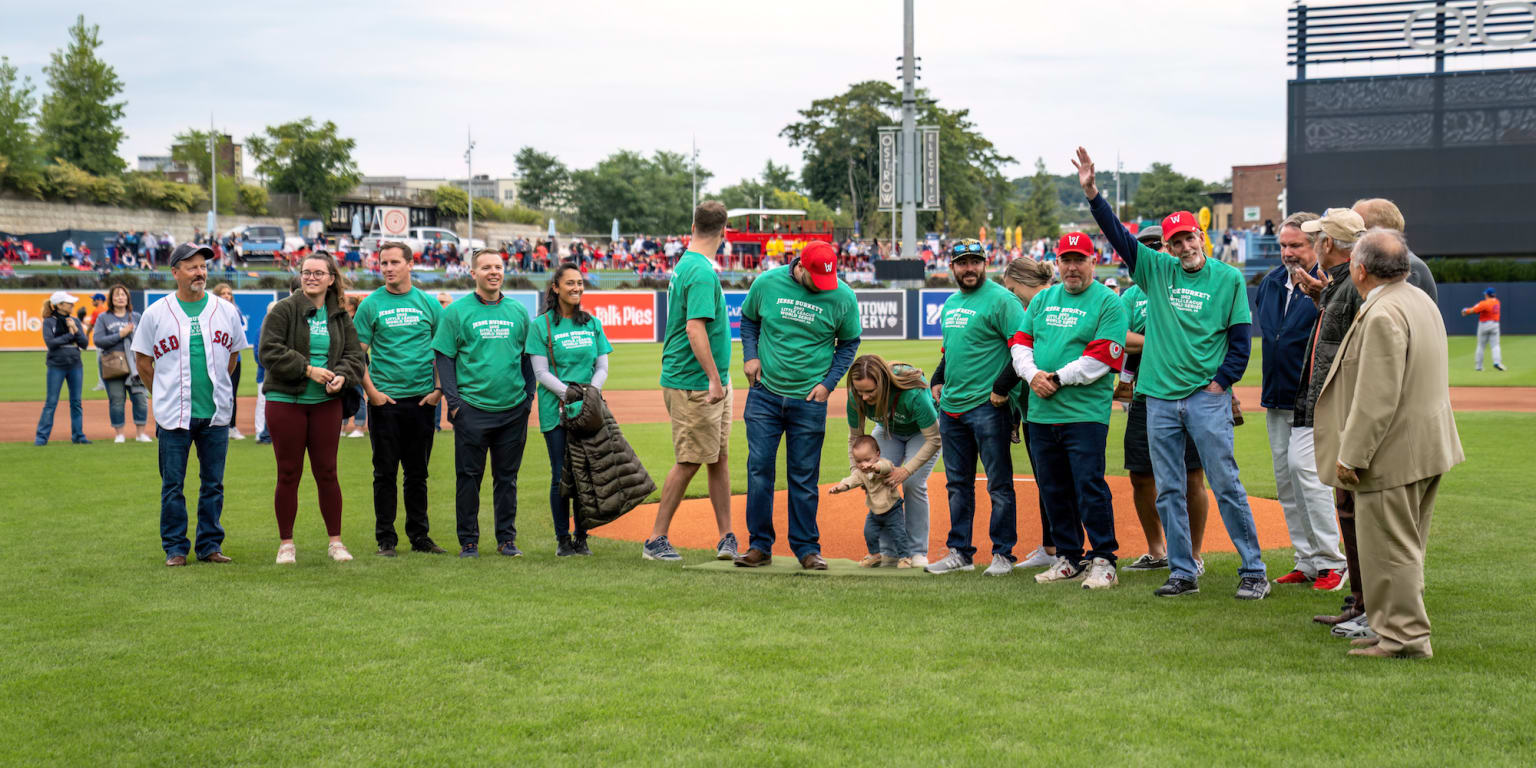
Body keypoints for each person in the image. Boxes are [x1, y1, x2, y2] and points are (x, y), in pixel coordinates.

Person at [1076, 147, 1268, 599]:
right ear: (1166, 247)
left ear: (1201, 236)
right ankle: (1182, 571)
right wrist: (1093, 195)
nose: (1183, 246)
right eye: (1174, 241)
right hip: (1158, 396)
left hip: (1205, 395)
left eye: (1189, 238)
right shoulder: (1158, 271)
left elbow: (1240, 342)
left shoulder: (1228, 279)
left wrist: (1221, 384)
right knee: (1168, 489)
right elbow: (1120, 238)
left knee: (1224, 483)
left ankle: (1253, 569)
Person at [1314, 229, 1464, 658]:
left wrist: (1351, 457)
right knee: (1404, 547)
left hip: (1393, 454)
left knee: (1390, 552)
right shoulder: (1419, 300)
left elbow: (1377, 398)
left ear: (1360, 269)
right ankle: (1391, 629)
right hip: (1425, 446)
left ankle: (1404, 639)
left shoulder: (1382, 313)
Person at [1007, 232, 1127, 589]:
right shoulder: (1043, 299)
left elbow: (1102, 357)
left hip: (1084, 413)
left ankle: (1104, 558)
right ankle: (1068, 556)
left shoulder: (1108, 302)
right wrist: (1032, 375)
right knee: (1053, 488)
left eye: (1080, 259)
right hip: (1042, 413)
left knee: (1089, 486)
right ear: (1056, 263)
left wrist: (1055, 378)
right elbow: (1020, 343)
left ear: (1093, 261)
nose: (1072, 267)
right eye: (1066, 260)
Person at [735, 240, 861, 570]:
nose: (823, 287)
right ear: (801, 266)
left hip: (809, 399)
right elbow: (748, 321)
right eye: (816, 279)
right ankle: (759, 545)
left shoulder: (843, 296)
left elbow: (849, 343)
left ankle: (807, 548)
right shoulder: (766, 283)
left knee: (804, 477)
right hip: (765, 393)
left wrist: (828, 384)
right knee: (759, 471)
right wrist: (750, 356)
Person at [132, 243, 248, 566]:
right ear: (175, 272)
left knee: (213, 483)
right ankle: (175, 548)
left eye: (203, 266)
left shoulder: (225, 311)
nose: (200, 272)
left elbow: (233, 357)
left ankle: (209, 545)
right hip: (173, 415)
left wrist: (218, 389)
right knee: (173, 486)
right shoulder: (157, 313)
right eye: (192, 266)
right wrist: (164, 393)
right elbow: (143, 361)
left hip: (215, 414)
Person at [1287, 208, 1376, 629]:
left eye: (1315, 238)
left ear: (1327, 244)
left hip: (1346, 413)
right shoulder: (1339, 285)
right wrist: (1319, 297)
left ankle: (1366, 604)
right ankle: (1359, 600)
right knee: (1347, 507)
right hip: (1334, 408)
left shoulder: (1357, 287)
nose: (1311, 245)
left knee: (1356, 510)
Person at [1257, 212, 1347, 590]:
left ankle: (1332, 562)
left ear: (1318, 244)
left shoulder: (1328, 287)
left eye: (1297, 245)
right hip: (1277, 395)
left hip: (1313, 396)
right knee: (1286, 482)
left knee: (1307, 474)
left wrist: (1320, 296)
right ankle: (1306, 560)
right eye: (1283, 245)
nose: (1288, 253)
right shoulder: (1272, 282)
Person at [645, 202, 738, 562]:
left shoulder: (688, 263)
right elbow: (694, 329)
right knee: (690, 460)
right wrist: (714, 380)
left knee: (718, 457)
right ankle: (656, 539)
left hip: (707, 381)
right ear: (724, 231)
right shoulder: (700, 271)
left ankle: (726, 536)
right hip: (695, 382)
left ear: (693, 224)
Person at [259, 251, 365, 564]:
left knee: (328, 472)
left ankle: (335, 542)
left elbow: (355, 357)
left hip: (325, 403)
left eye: (319, 273)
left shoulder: (340, 315)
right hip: (285, 401)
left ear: (331, 279)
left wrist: (342, 376)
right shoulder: (284, 309)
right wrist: (308, 370)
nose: (311, 277)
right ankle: (286, 544)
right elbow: (268, 350)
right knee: (288, 473)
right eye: (306, 272)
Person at [1116, 227, 1212, 574]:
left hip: (1191, 390)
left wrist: (1151, 340)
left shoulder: (1192, 284)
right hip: (1146, 392)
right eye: (1145, 247)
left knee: (1192, 477)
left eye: (1158, 245)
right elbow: (1117, 337)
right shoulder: (1130, 296)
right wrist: (1161, 340)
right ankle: (1157, 551)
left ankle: (1194, 554)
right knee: (1141, 475)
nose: (1153, 251)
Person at [925, 239, 1022, 576]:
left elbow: (1022, 350)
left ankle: (1003, 554)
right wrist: (938, 377)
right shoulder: (951, 303)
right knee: (957, 484)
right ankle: (960, 552)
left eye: (975, 262)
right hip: (951, 408)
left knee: (998, 484)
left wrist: (1001, 390)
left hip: (987, 406)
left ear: (986, 263)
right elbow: (951, 350)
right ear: (951, 266)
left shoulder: (1003, 300)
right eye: (962, 263)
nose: (969, 269)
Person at [433, 249, 535, 559]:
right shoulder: (457, 312)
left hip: (512, 409)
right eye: (486, 267)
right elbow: (444, 357)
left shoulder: (518, 312)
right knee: (468, 479)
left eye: (498, 267)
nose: (494, 272)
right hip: (472, 409)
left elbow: (528, 358)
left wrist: (528, 399)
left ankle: (506, 540)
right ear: (473, 272)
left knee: (507, 479)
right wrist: (454, 403)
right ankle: (469, 542)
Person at [355, 242, 447, 557]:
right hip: (385, 402)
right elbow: (357, 354)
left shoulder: (428, 303)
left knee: (417, 473)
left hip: (422, 402)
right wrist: (372, 393)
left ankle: (420, 537)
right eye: (383, 263)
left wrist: (437, 390)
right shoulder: (371, 305)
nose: (388, 268)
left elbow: (444, 351)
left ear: (410, 264)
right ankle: (386, 540)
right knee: (384, 473)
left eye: (395, 262)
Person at [527, 264, 613, 557]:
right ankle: (562, 540)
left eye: (580, 283)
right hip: (558, 411)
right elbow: (540, 372)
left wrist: (592, 392)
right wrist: (569, 393)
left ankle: (582, 537)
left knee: (585, 475)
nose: (576, 288)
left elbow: (601, 365)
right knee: (560, 475)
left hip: (587, 410)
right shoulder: (542, 326)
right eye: (570, 283)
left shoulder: (592, 323)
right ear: (556, 287)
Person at [845, 355, 941, 568]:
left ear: (884, 383)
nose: (865, 397)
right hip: (889, 429)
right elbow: (856, 439)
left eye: (870, 391)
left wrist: (905, 471)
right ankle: (890, 552)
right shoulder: (856, 398)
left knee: (912, 483)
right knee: (879, 479)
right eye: (860, 391)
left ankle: (917, 551)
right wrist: (856, 472)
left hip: (922, 434)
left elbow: (934, 439)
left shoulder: (913, 394)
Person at [1000, 255, 1061, 570]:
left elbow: (1023, 359)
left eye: (1012, 288)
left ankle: (1066, 551)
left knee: (1059, 482)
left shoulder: (1047, 307)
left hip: (1055, 406)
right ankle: (1051, 549)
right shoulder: (1034, 308)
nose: (1011, 295)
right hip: (1032, 409)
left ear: (1023, 282)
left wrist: (1000, 391)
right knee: (1047, 482)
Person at [831, 435, 910, 568]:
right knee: (869, 532)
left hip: (892, 509)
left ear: (877, 454)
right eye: (859, 461)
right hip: (874, 511)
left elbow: (886, 467)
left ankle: (905, 557)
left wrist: (874, 467)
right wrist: (840, 487)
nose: (863, 464)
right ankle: (874, 555)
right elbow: (852, 479)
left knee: (898, 534)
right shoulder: (861, 472)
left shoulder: (883, 464)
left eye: (867, 459)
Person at [1350, 198, 1438, 303]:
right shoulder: (1400, 264)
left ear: (1379, 232)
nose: (1351, 240)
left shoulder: (1407, 268)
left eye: (1358, 232)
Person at [94, 284, 151, 443]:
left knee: (140, 398)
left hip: (135, 364)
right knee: (117, 399)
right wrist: (120, 334)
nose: (120, 298)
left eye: (123, 295)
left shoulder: (137, 316)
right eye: (116, 295)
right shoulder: (103, 318)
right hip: (113, 364)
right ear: (111, 299)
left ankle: (140, 434)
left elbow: (146, 339)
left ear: (128, 298)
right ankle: (119, 434)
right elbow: (98, 341)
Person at [35, 291, 90, 446]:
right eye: (69, 303)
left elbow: (84, 344)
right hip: (56, 365)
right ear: (59, 305)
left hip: (75, 364)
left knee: (76, 402)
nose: (73, 305)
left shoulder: (74, 321)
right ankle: (41, 437)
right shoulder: (49, 322)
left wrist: (75, 330)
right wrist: (70, 335)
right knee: (51, 402)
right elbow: (51, 344)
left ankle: (78, 436)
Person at [211, 283, 247, 440]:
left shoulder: (235, 311)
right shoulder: (211, 311)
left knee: (231, 393)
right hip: (216, 358)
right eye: (223, 293)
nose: (227, 295)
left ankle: (231, 426)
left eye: (229, 293)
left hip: (235, 359)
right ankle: (215, 425)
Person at [341, 295, 367, 438]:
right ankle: (343, 428)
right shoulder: (342, 319)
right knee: (342, 393)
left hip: (357, 360)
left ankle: (359, 427)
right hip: (342, 360)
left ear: (351, 307)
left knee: (358, 393)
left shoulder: (357, 320)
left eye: (344, 303)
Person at [1462, 288, 1503, 372]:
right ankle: (1497, 362)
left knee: (1481, 345)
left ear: (1487, 295)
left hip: (1484, 325)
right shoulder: (1497, 302)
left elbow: (1473, 310)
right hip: (1495, 324)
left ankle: (1478, 366)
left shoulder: (1485, 303)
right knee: (1495, 345)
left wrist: (1465, 311)